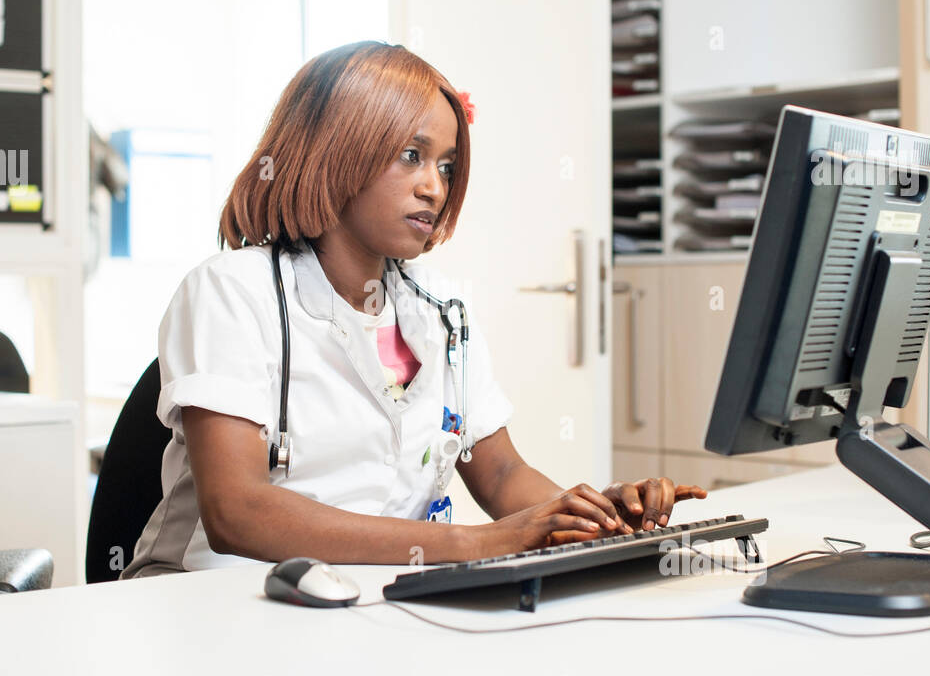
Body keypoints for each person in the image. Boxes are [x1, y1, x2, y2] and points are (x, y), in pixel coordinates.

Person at [121, 40, 705, 577]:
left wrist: (600, 522)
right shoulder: (231, 292)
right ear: (332, 152)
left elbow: (501, 475)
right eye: (411, 155)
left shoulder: (441, 307)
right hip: (215, 609)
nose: (435, 186)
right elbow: (237, 513)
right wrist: (482, 544)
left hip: (374, 602)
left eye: (446, 165)